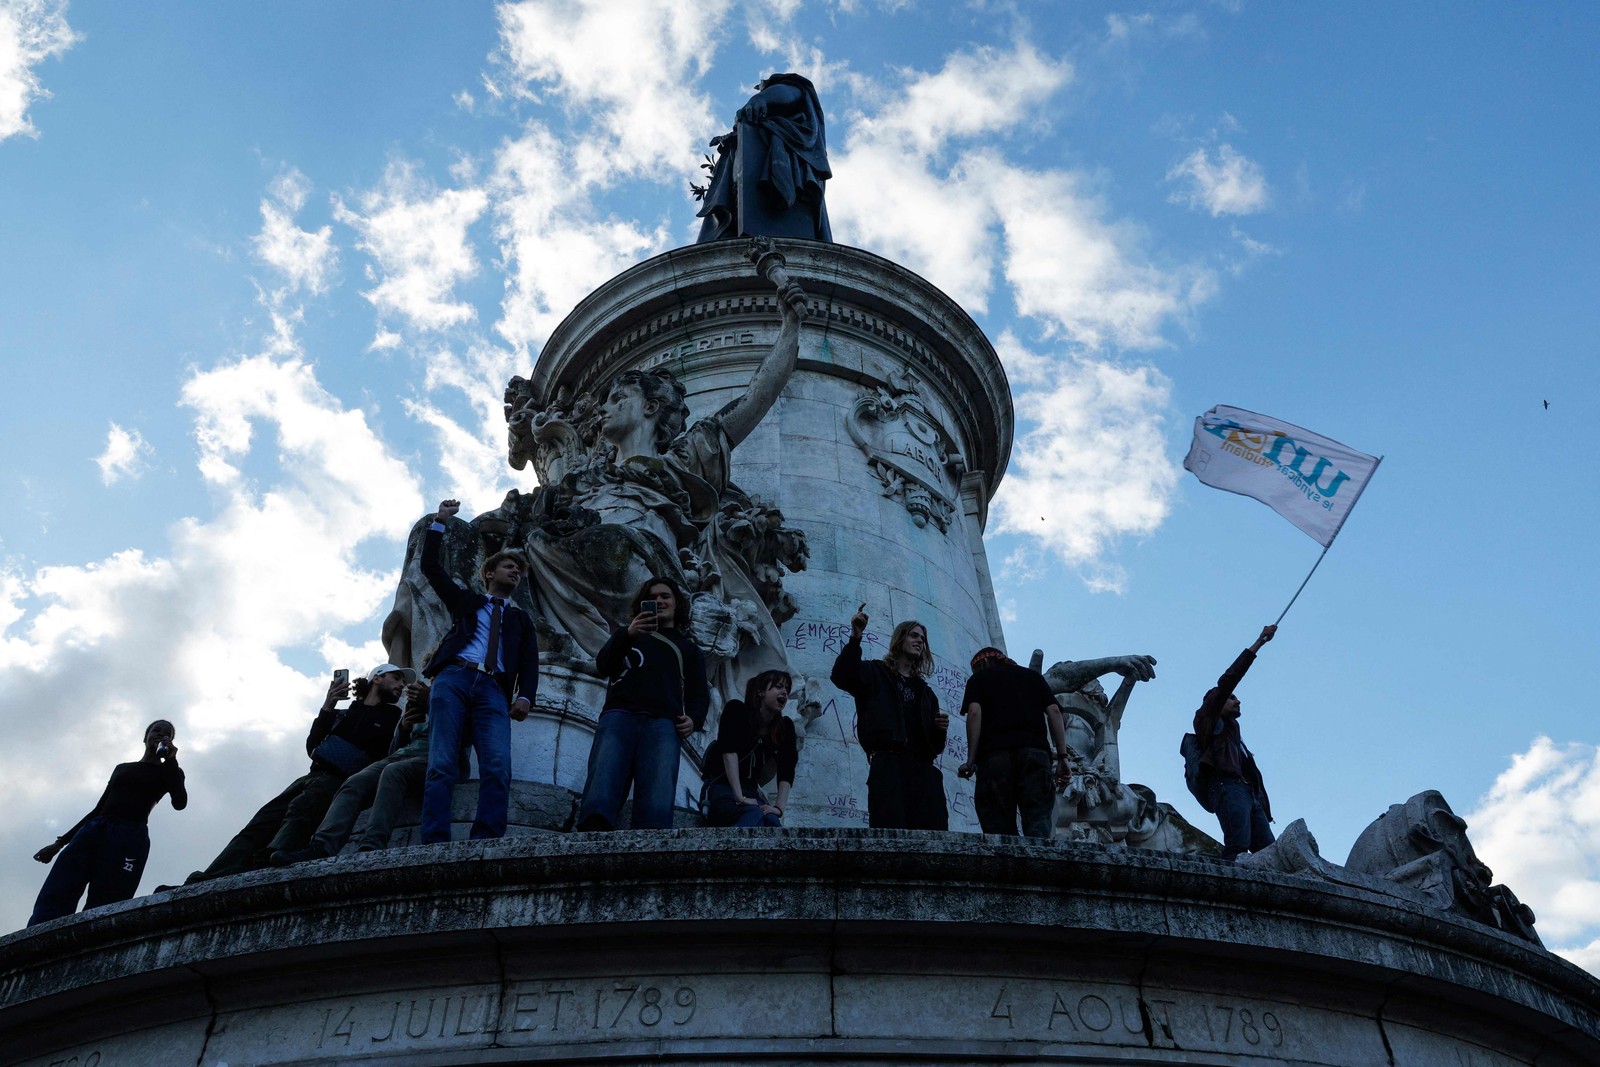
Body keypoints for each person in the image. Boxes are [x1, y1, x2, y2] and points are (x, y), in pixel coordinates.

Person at [183, 665, 410, 883]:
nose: (402, 684)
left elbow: (386, 754)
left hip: (341, 780)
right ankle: (211, 875)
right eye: (397, 677)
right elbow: (313, 746)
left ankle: (267, 864)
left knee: (301, 812)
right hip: (312, 775)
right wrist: (328, 705)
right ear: (377, 678)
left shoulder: (394, 719)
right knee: (262, 820)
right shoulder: (344, 713)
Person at [419, 498, 539, 844]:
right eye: (508, 567)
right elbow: (431, 567)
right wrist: (440, 522)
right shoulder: (466, 601)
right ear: (489, 573)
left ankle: (486, 839)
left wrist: (526, 697)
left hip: (493, 690)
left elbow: (530, 662)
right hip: (454, 677)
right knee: (441, 763)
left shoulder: (520, 619)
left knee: (498, 766)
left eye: (518, 571)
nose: (514, 572)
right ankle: (434, 841)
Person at [575, 576, 710, 831]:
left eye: (665, 596)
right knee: (603, 783)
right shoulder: (627, 635)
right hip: (619, 716)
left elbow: (700, 694)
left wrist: (694, 719)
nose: (659, 601)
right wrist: (626, 634)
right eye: (653, 597)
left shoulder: (689, 649)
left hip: (663, 723)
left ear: (677, 603)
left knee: (657, 799)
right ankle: (592, 833)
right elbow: (604, 665)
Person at [29, 721, 187, 925]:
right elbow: (98, 809)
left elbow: (180, 803)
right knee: (60, 887)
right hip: (94, 829)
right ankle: (40, 935)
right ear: (145, 737)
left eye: (167, 734)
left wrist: (171, 760)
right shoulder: (122, 768)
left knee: (109, 900)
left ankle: (90, 946)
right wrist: (60, 843)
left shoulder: (171, 771)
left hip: (130, 836)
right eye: (156, 730)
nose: (161, 735)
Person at [270, 679, 433, 865]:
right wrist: (404, 729)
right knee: (354, 782)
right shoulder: (411, 705)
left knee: (392, 772)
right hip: (399, 756)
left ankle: (371, 846)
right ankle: (321, 847)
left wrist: (430, 703)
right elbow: (395, 748)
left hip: (429, 755)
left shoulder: (447, 692)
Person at [830, 605, 949, 830]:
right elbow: (842, 676)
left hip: (923, 771)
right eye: (914, 635)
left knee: (933, 836)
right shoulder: (876, 673)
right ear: (900, 639)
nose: (920, 641)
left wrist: (939, 729)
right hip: (888, 764)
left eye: (923, 639)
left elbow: (935, 746)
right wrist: (856, 636)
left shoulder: (926, 693)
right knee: (890, 832)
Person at [956, 647, 1069, 839]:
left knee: (998, 826)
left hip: (994, 757)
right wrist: (1063, 756)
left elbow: (974, 713)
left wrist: (970, 760)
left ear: (982, 664)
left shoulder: (978, 680)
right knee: (1038, 821)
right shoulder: (1033, 678)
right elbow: (1055, 712)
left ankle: (1007, 866)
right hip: (1035, 754)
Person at [1193, 624, 1278, 861]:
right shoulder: (1208, 720)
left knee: (1270, 854)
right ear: (1215, 701)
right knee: (1237, 846)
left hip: (1248, 793)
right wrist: (1259, 642)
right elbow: (1229, 680)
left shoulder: (1235, 737)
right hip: (1226, 787)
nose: (1238, 701)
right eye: (1232, 698)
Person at [702, 670, 797, 827]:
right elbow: (729, 752)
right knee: (753, 814)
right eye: (778, 687)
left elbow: (787, 768)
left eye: (787, 689)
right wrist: (739, 797)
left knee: (772, 822)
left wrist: (779, 808)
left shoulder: (784, 728)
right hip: (721, 788)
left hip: (751, 792)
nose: (785, 692)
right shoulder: (736, 710)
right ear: (760, 691)